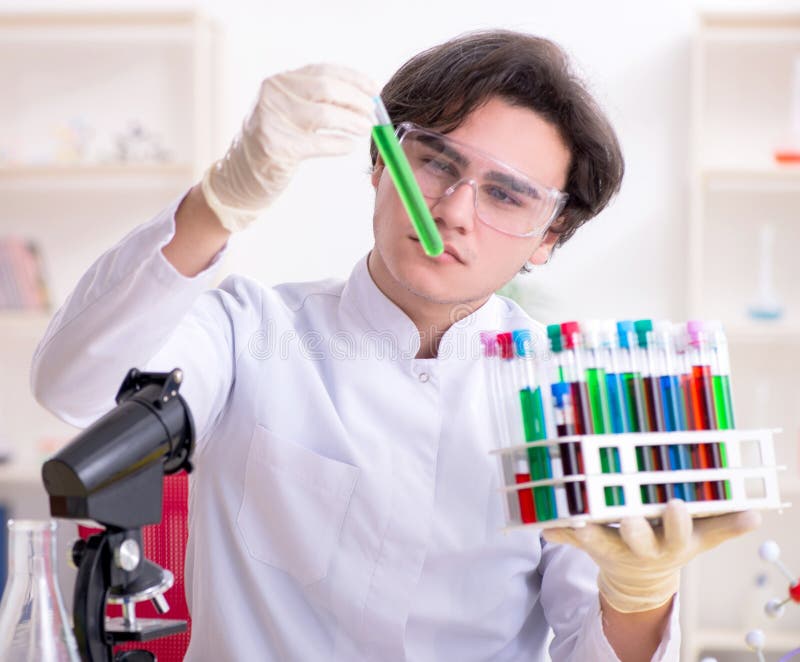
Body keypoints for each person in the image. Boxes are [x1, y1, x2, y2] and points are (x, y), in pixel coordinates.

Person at [31, 30, 758, 661]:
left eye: (506, 195)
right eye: (436, 161)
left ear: (549, 240)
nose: (453, 210)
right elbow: (72, 387)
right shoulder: (249, 330)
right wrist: (219, 201)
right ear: (380, 163)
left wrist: (639, 593)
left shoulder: (574, 394)